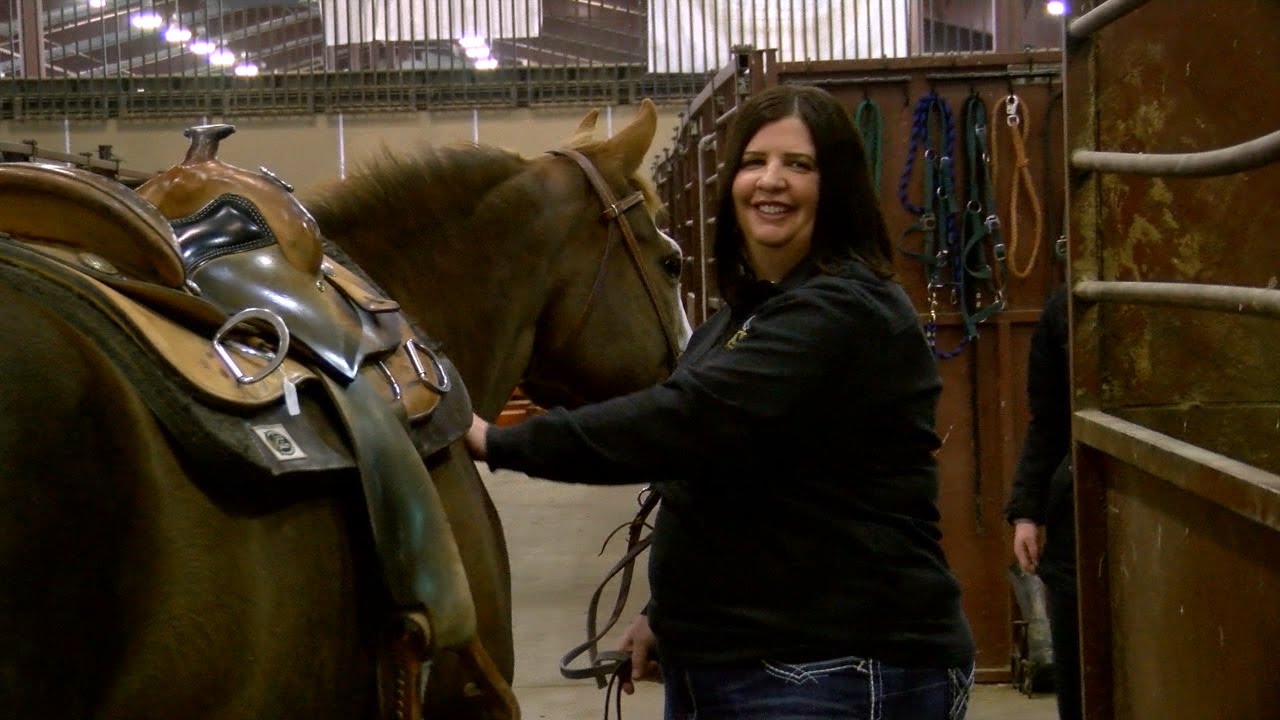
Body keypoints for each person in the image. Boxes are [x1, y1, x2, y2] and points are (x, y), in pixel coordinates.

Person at [466, 84, 975, 719]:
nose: (772, 181)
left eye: (799, 165)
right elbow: (737, 479)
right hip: (744, 662)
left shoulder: (844, 310)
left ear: (837, 185)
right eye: (755, 162)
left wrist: (497, 441)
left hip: (834, 667)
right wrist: (669, 617)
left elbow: (686, 421)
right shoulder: (744, 315)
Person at [1005, 284, 1080, 720]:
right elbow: (1048, 420)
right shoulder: (1063, 307)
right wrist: (1027, 512)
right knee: (1078, 669)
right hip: (1076, 510)